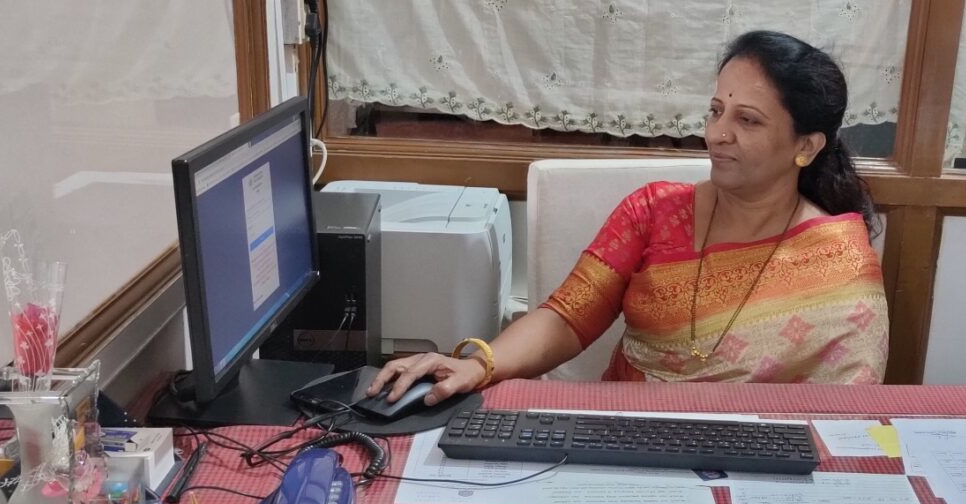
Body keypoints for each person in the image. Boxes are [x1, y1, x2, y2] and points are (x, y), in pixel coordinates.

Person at [368, 30, 889, 407]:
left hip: (752, 470)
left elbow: (840, 417)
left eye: (746, 120)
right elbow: (567, 316)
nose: (716, 134)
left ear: (806, 146)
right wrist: (478, 364)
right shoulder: (654, 211)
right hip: (622, 438)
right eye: (715, 111)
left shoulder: (839, 262)